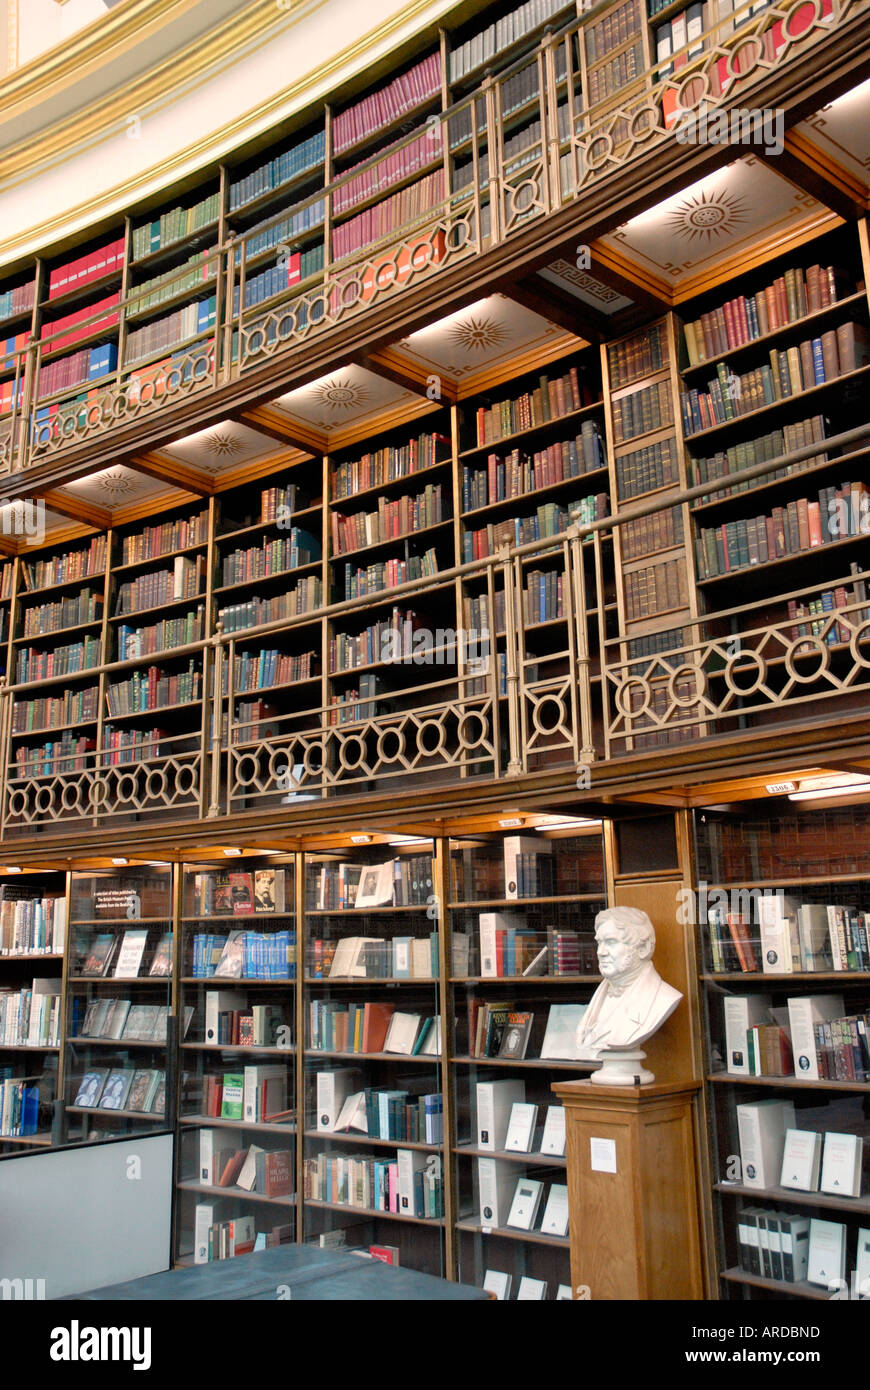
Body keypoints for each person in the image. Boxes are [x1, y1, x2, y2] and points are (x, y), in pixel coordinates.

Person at [575, 905, 681, 1056]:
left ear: (643, 948)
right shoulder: (602, 994)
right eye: (600, 942)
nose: (601, 952)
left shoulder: (664, 998)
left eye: (611, 942)